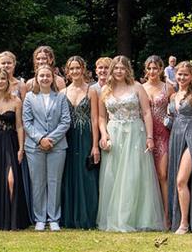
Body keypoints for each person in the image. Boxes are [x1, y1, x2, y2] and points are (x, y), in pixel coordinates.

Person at [96, 56, 164, 232]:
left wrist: (150, 137)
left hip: (135, 133)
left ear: (128, 70)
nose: (119, 71)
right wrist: (104, 135)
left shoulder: (137, 87)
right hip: (114, 134)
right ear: (112, 70)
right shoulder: (105, 89)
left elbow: (147, 112)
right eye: (116, 68)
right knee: (114, 175)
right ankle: (116, 218)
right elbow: (101, 117)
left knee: (133, 175)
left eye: (122, 68)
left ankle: (136, 218)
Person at [21, 65, 70, 231]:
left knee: (54, 181)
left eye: (48, 75)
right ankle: (40, 218)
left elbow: (65, 121)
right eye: (41, 76)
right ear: (36, 78)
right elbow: (26, 122)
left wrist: (51, 139)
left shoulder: (61, 97)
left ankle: (54, 218)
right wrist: (40, 139)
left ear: (53, 77)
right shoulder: (29, 97)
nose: (44, 78)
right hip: (35, 146)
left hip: (57, 146)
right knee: (38, 182)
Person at [0, 67, 30, 231]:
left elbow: (20, 126)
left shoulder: (16, 101)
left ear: (8, 81)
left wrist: (21, 148)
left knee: (11, 180)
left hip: (10, 142)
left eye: (3, 79)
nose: (0, 82)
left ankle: (13, 219)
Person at [166, 62, 192, 234]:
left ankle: (184, 223)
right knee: (176, 181)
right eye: (179, 74)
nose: (182, 78)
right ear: (175, 75)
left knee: (181, 180)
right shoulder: (173, 96)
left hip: (191, 138)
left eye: (185, 74)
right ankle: (179, 221)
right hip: (175, 138)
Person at [61, 56, 101, 230]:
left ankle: (87, 217)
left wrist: (94, 145)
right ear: (67, 71)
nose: (75, 71)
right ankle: (70, 217)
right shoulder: (63, 93)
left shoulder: (91, 91)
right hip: (68, 136)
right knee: (69, 174)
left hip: (86, 136)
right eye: (72, 69)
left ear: (84, 69)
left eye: (78, 68)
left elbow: (94, 119)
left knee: (87, 175)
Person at [142, 55, 173, 226]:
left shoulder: (168, 88)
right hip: (145, 133)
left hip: (163, 133)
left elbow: (176, 109)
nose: (152, 71)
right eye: (149, 68)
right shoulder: (140, 88)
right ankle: (149, 215)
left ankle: (166, 216)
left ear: (161, 69)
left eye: (155, 68)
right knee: (147, 176)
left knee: (162, 175)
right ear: (145, 70)